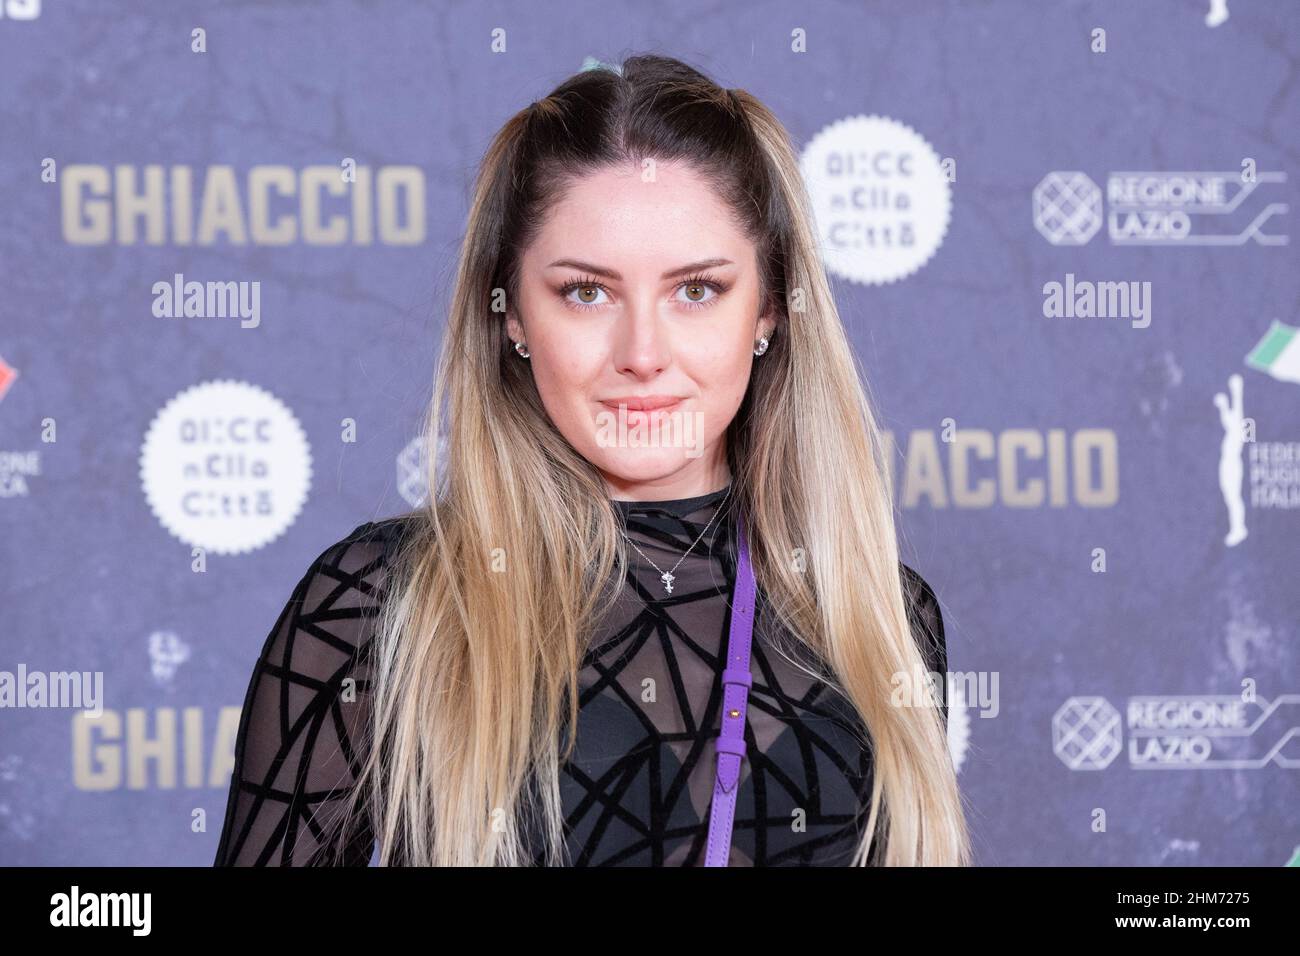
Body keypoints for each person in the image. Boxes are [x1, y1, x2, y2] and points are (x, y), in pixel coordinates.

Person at [213, 53, 968, 867]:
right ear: (510, 316)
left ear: (772, 312)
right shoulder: (379, 610)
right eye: (585, 292)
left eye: (697, 290)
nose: (642, 353)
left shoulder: (882, 617)